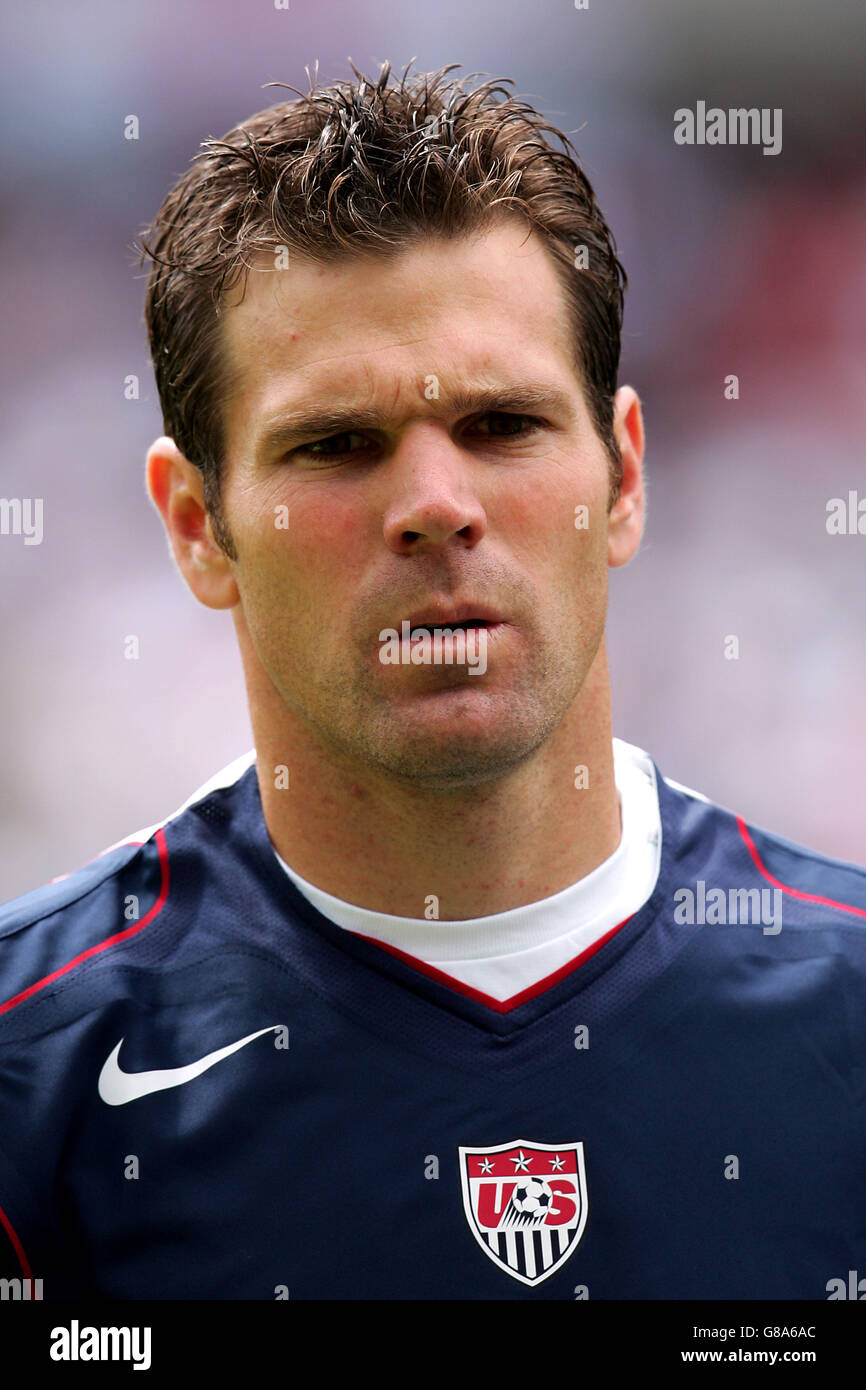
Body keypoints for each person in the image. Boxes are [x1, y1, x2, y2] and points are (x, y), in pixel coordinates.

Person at [1, 60, 863, 1301]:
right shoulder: (36, 1073)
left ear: (621, 480)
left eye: (501, 425)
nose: (435, 508)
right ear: (197, 525)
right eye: (337, 444)